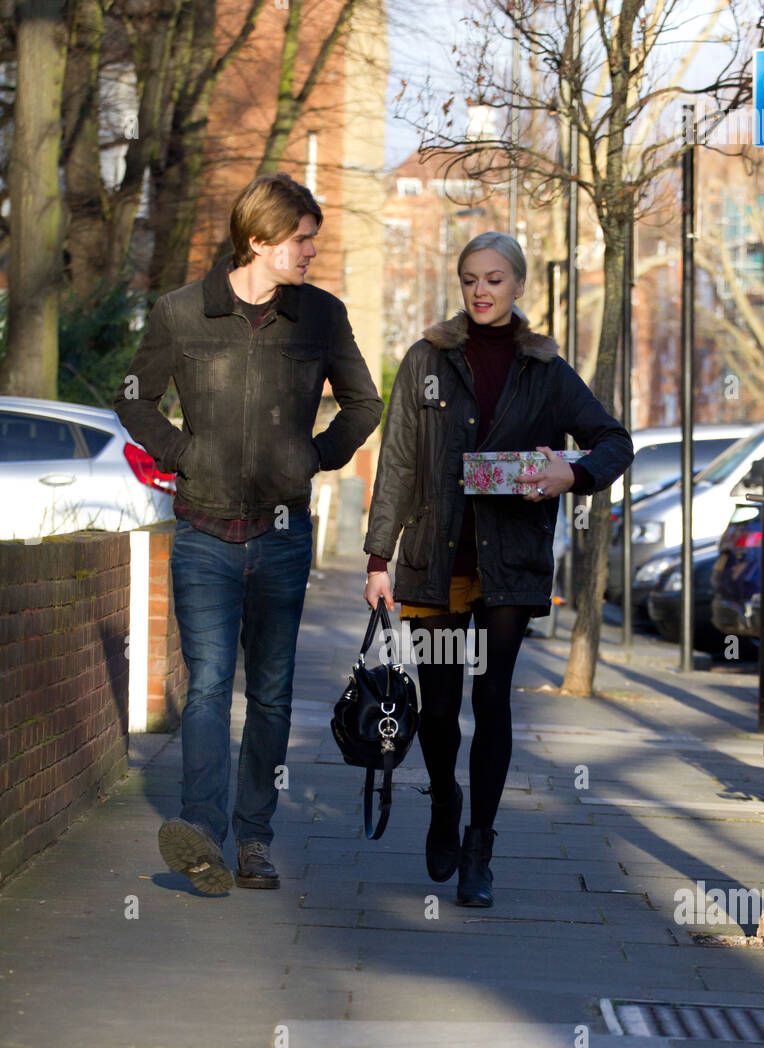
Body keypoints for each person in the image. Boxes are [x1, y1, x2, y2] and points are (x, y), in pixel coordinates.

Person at [115, 174, 382, 894]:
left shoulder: (320, 317)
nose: (311, 252)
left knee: (269, 692)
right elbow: (133, 397)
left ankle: (255, 840)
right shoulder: (181, 313)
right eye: (302, 240)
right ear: (260, 240)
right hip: (203, 530)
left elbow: (365, 402)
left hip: (284, 533)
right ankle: (202, 831)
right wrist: (181, 454)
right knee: (206, 687)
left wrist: (315, 455)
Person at [363, 231, 632, 908]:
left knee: (492, 700)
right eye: (470, 280)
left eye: (495, 279)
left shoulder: (544, 369)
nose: (481, 291)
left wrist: (570, 472)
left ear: (517, 286)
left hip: (509, 564)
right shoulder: (428, 359)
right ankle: (445, 801)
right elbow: (396, 461)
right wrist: (377, 557)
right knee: (441, 708)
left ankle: (480, 846)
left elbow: (613, 441)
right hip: (435, 559)